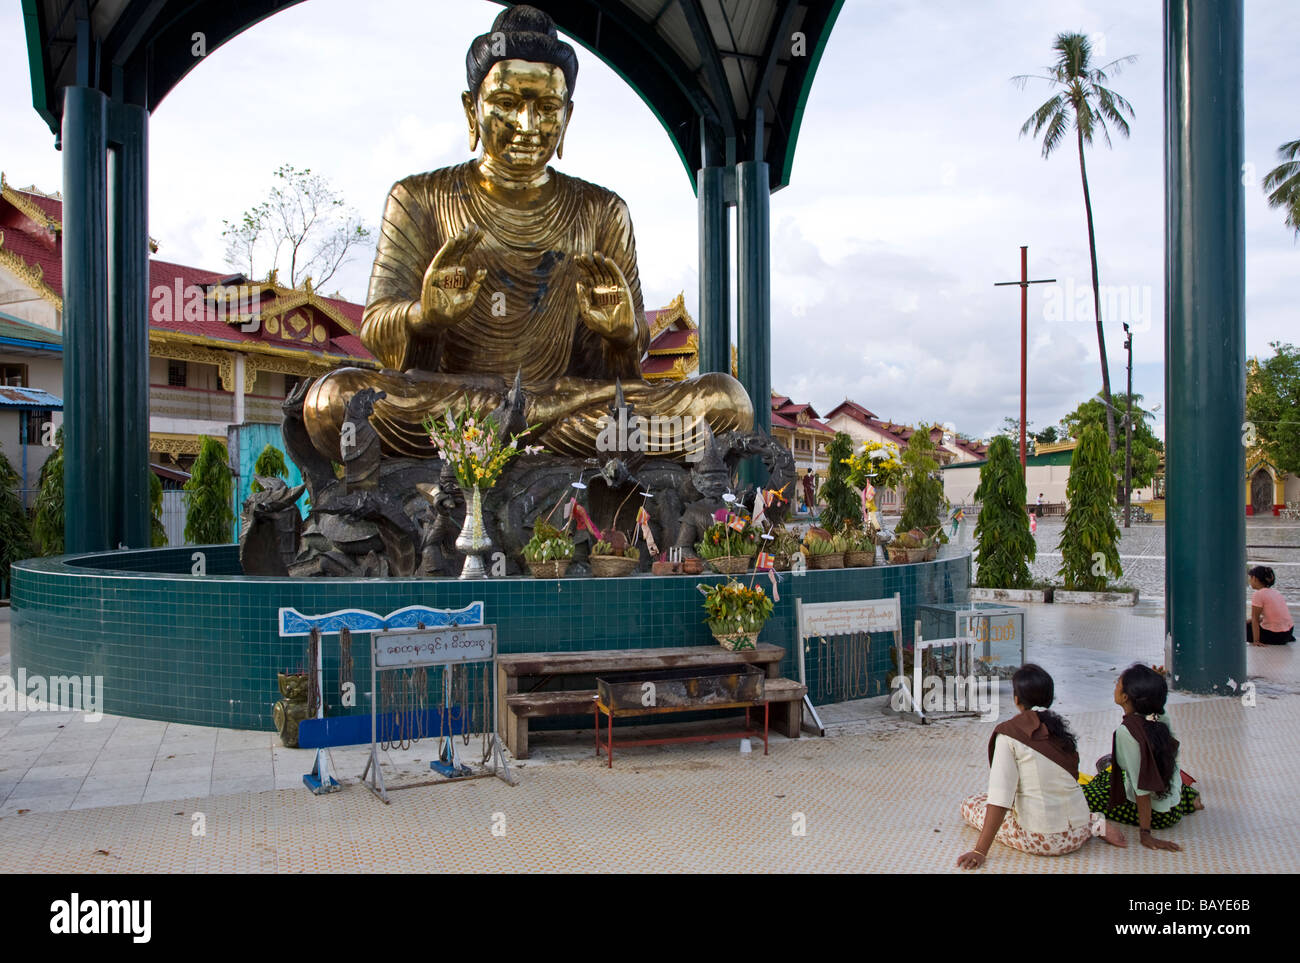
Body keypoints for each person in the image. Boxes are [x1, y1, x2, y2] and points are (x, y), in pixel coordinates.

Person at [301, 5, 753, 462]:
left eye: (547, 108)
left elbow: (620, 370)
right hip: (466, 402)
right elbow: (377, 328)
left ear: (567, 117)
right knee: (333, 401)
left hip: (570, 404)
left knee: (727, 402)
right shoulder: (419, 197)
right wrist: (425, 316)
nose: (527, 126)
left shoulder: (601, 210)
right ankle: (526, 432)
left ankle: (516, 434)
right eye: (507, 104)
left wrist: (619, 334)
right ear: (471, 109)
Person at [956, 664, 1124, 868]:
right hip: (1079, 832)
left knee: (972, 803)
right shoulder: (1060, 730)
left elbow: (1001, 798)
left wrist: (979, 850)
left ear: (1017, 699)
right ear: (1049, 698)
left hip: (1043, 839)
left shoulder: (1009, 733)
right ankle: (1096, 824)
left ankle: (1090, 823)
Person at [1081, 664, 1202, 851]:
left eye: (1118, 683)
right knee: (1108, 776)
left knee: (1085, 793)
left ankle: (1159, 816)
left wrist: (1145, 834)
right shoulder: (1159, 716)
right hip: (1174, 805)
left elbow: (1142, 790)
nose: (1115, 685)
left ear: (1125, 697)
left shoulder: (1126, 733)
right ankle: (1191, 799)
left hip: (1156, 816)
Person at [1247, 565, 1295, 645]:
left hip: (1275, 635)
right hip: (1288, 633)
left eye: (1250, 578)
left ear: (1254, 578)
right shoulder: (1276, 592)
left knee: (1241, 629)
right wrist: (1248, 621)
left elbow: (1255, 619)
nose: (1249, 581)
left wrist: (1256, 641)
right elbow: (1272, 615)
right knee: (1250, 623)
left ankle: (1259, 639)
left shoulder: (1258, 594)